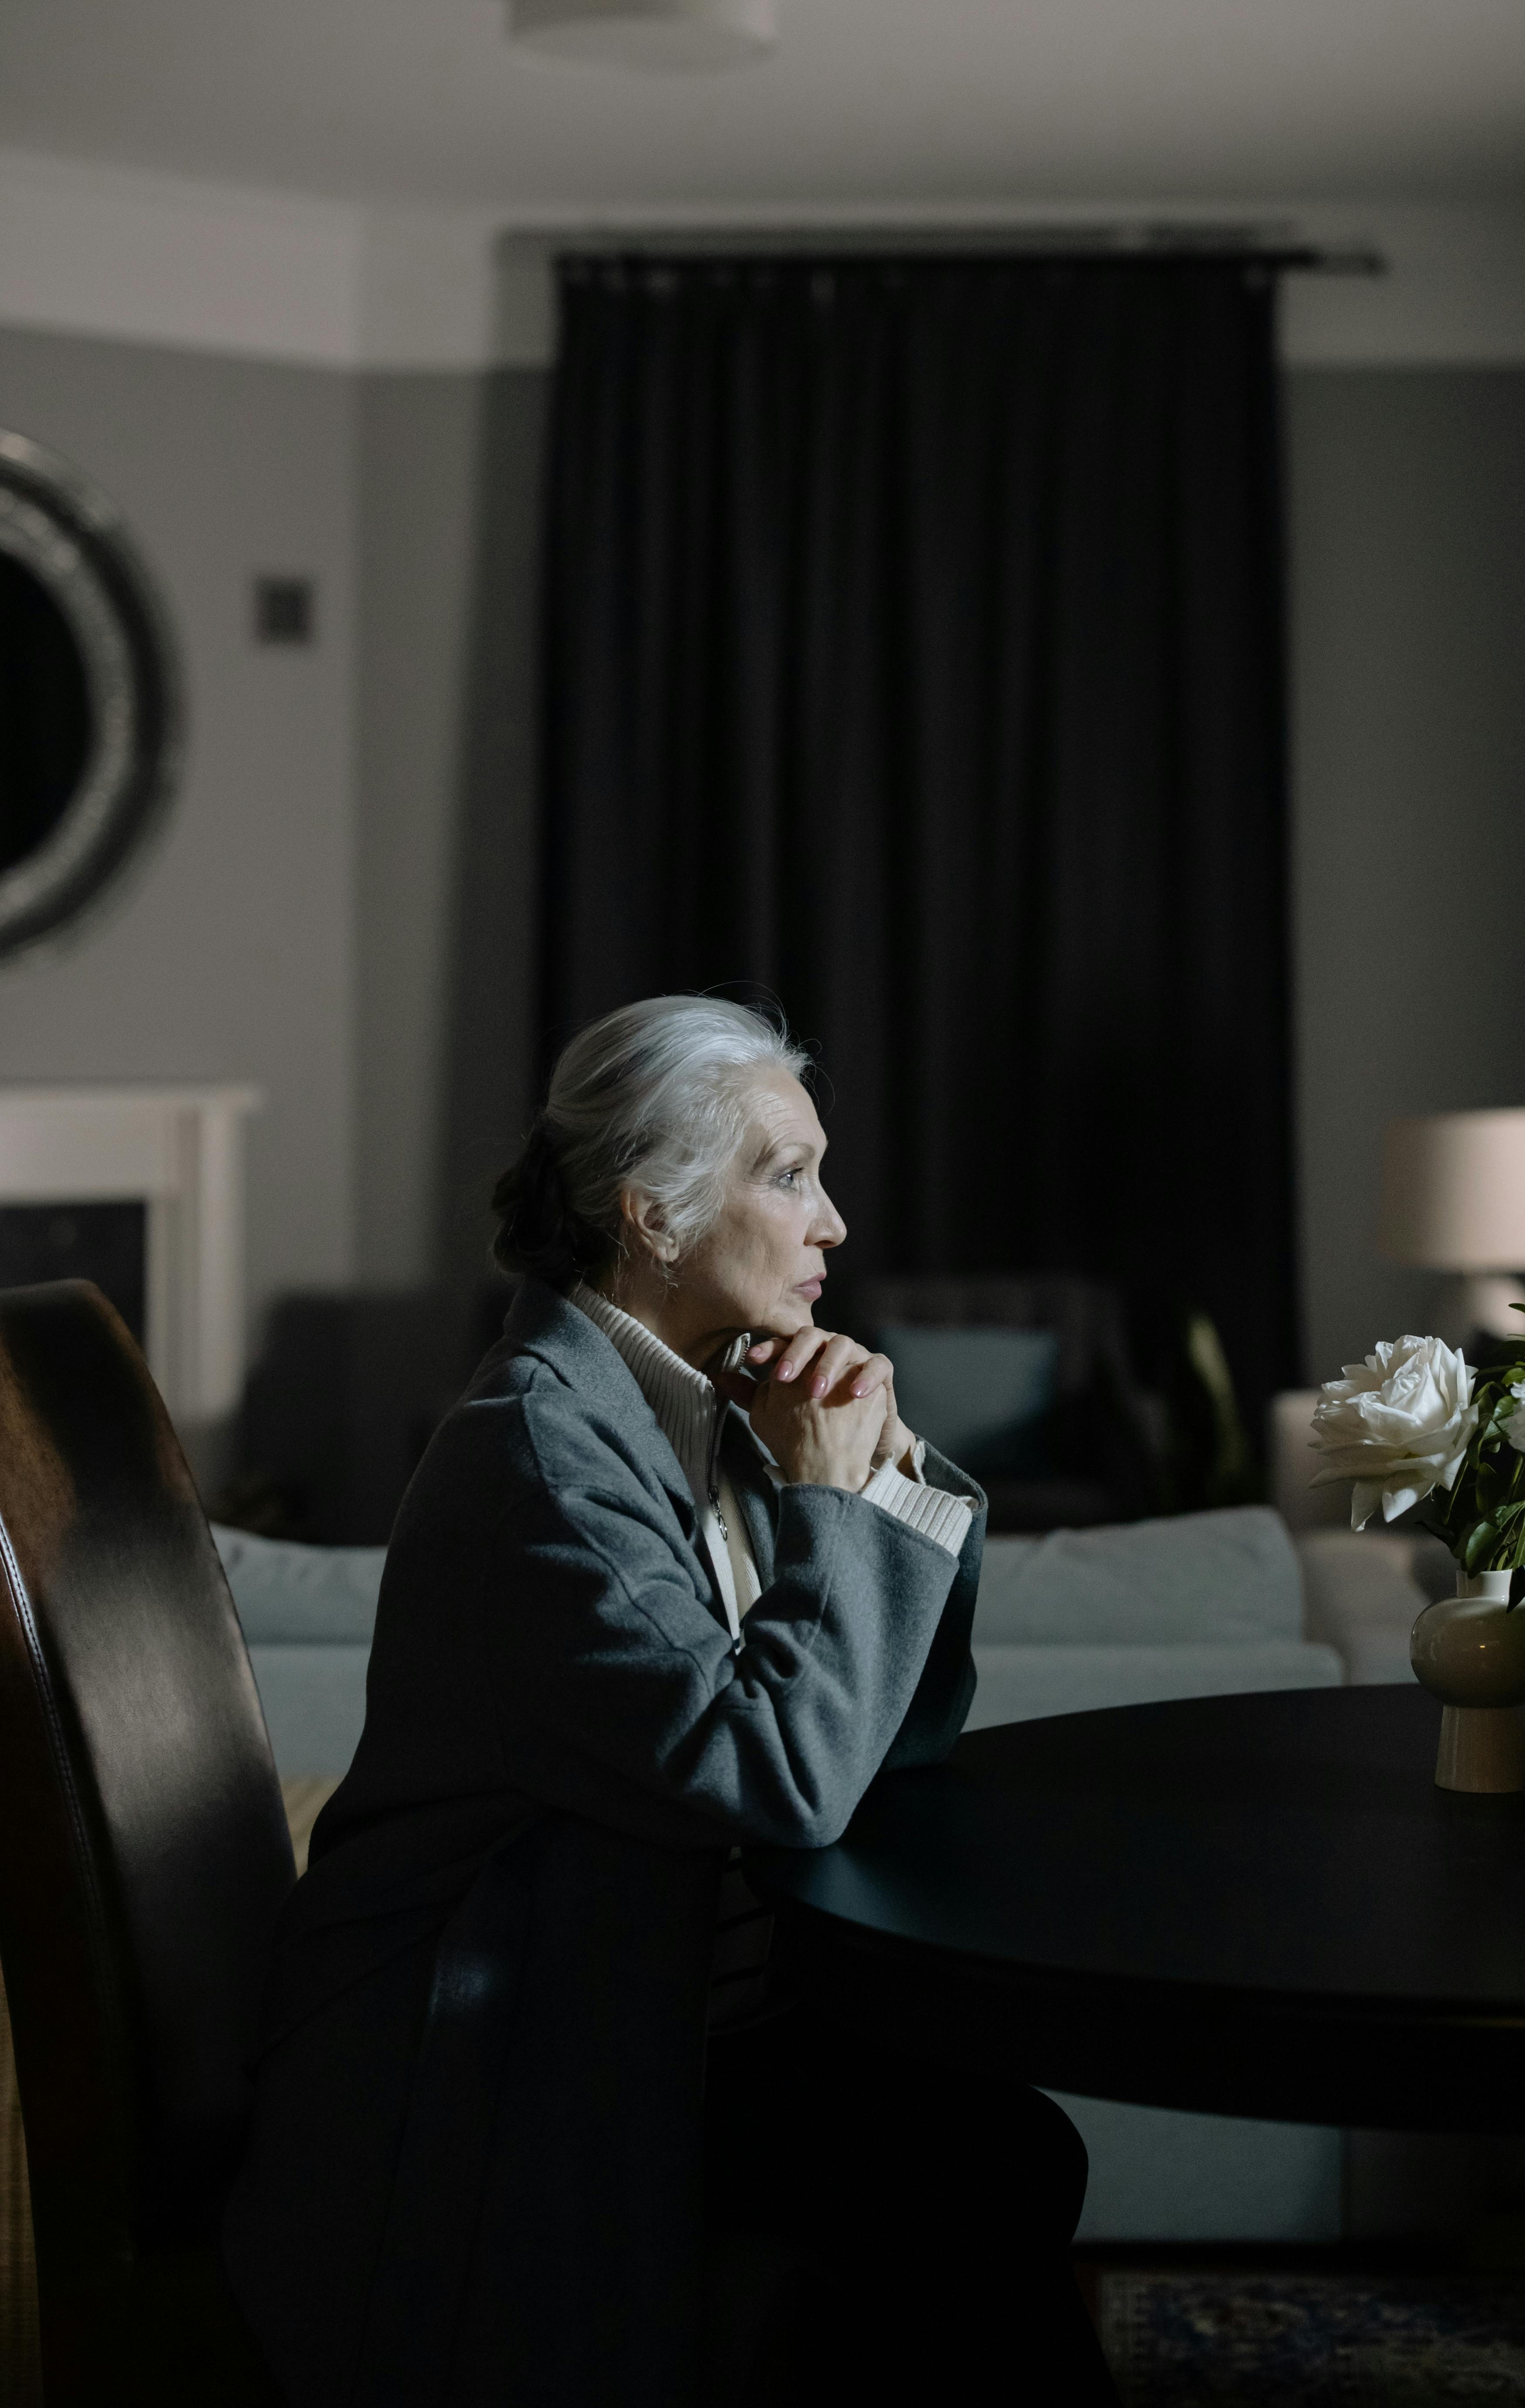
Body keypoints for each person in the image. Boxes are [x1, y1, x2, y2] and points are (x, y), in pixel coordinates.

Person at [224, 994, 1117, 2408]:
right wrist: (835, 1503)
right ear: (651, 1212)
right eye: (787, 1173)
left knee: (999, 2151)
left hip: (645, 1991)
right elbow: (775, 1775)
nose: (831, 1222)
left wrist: (875, 1473)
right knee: (969, 2178)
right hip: (488, 2048)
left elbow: (896, 1732)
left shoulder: (704, 1402)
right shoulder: (541, 1453)